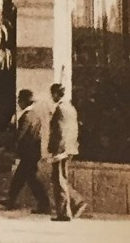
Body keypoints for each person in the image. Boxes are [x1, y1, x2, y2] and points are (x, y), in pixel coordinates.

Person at [0, 89, 51, 214]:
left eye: (19, 100)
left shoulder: (26, 116)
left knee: (29, 179)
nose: (18, 102)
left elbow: (19, 135)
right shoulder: (35, 115)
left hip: (28, 153)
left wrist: (7, 147)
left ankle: (44, 204)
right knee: (23, 178)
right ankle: (11, 201)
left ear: (23, 102)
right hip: (34, 152)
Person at [47, 82, 88, 221]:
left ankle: (65, 212)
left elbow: (59, 131)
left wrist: (56, 151)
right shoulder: (71, 108)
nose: (51, 96)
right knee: (61, 179)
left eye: (52, 94)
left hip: (61, 149)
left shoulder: (60, 109)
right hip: (69, 147)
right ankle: (76, 202)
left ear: (56, 94)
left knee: (58, 180)